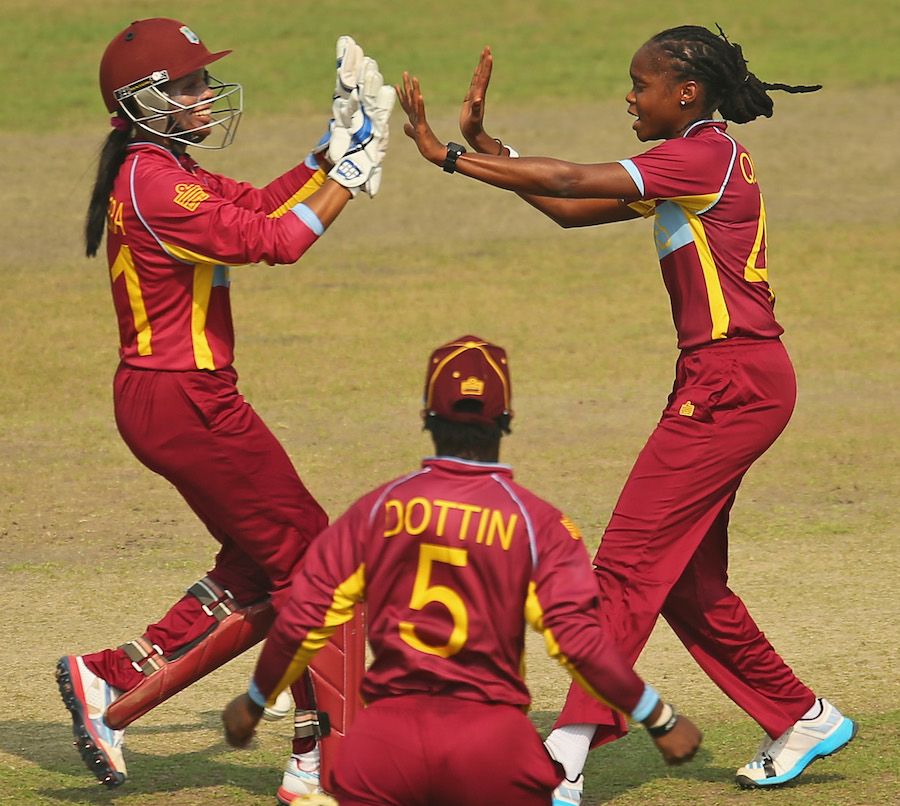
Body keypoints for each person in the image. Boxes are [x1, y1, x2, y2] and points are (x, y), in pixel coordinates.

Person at [397, 24, 856, 803]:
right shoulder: (691, 161)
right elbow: (570, 209)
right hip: (729, 379)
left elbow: (575, 179)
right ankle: (801, 716)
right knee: (683, 584)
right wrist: (486, 145)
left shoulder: (702, 155)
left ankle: (565, 756)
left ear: (686, 93)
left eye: (641, 86)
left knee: (627, 567)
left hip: (729, 382)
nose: (630, 98)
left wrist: (448, 155)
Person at [54, 18, 393, 803]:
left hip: (173, 399)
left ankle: (112, 678)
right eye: (190, 85)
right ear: (145, 102)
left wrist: (326, 152)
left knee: (263, 565)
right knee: (319, 565)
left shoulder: (162, 168)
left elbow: (257, 206)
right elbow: (275, 242)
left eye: (204, 81)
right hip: (185, 400)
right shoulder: (157, 182)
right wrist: (350, 173)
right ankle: (326, 758)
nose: (207, 94)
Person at [221, 335, 702, 805]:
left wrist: (255, 702)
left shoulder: (375, 511)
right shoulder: (540, 524)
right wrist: (658, 718)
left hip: (384, 745)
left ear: (427, 418)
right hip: (490, 746)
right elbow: (582, 644)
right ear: (506, 420)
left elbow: (303, 618)